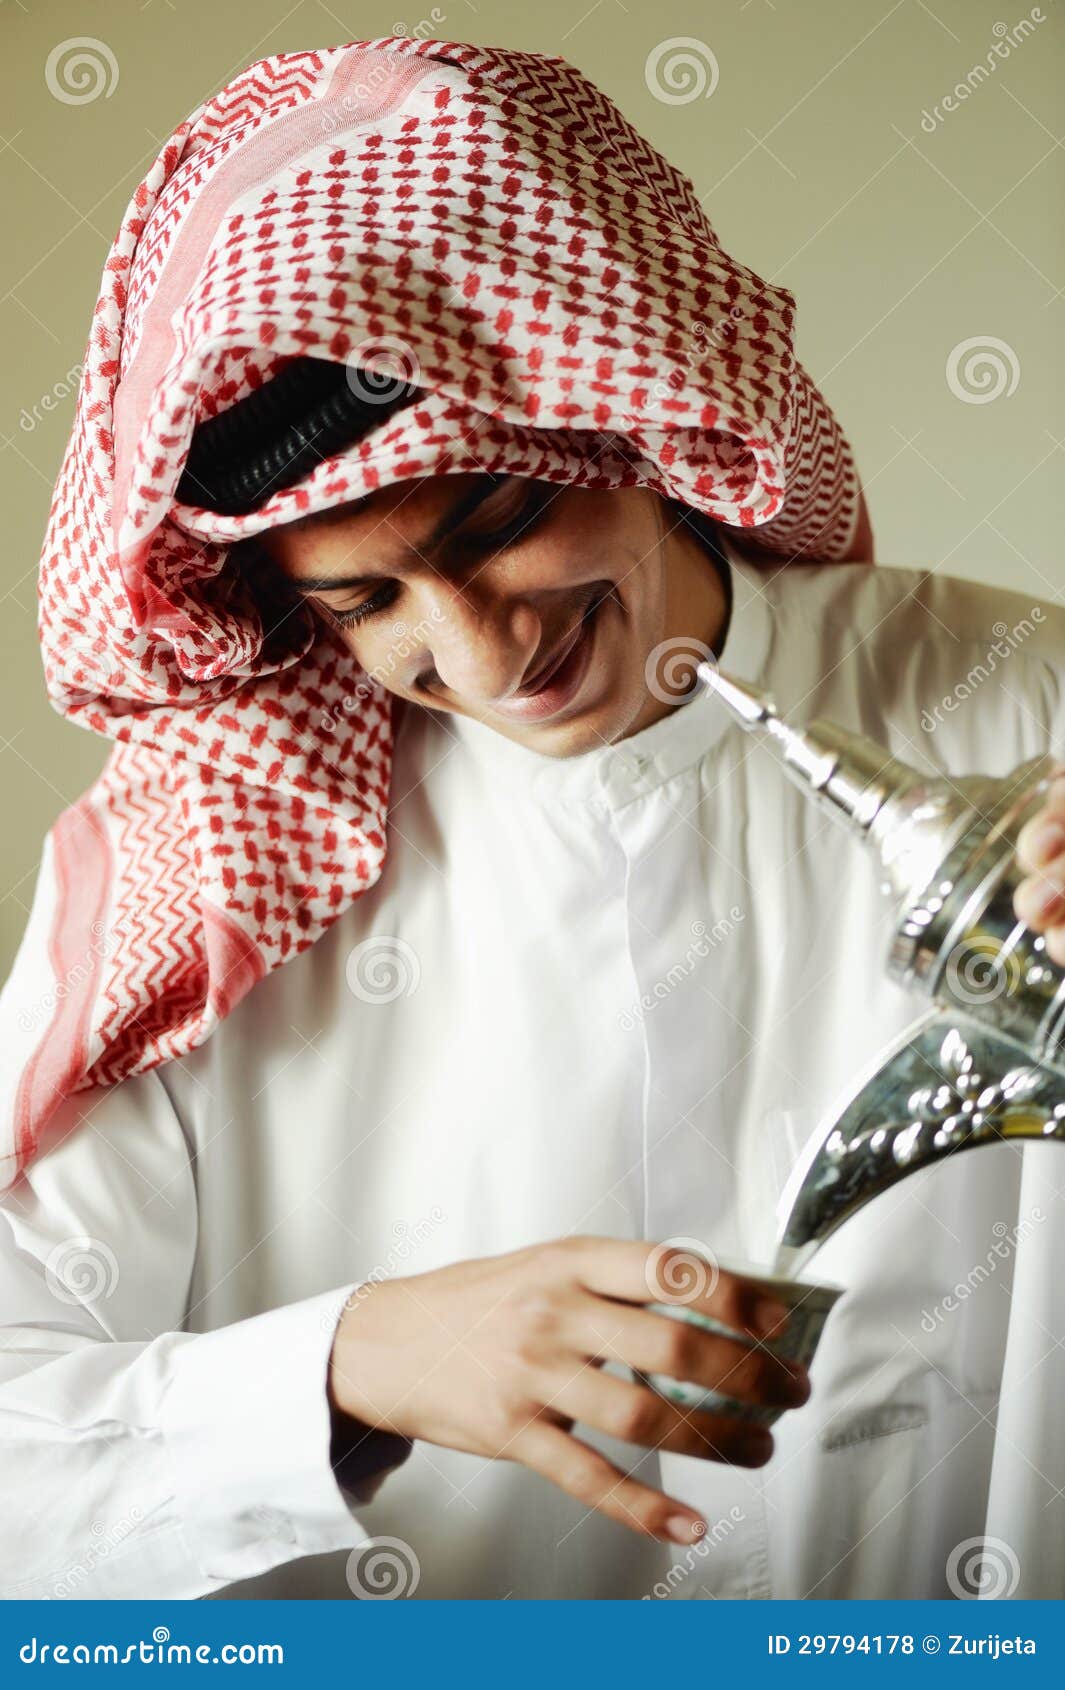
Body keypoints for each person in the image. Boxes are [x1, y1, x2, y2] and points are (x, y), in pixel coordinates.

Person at [1, 37, 1063, 1602]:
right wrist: (349, 1362)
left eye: (500, 520)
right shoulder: (207, 877)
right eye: (368, 600)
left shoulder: (1026, 704)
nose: (487, 653)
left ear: (627, 416)